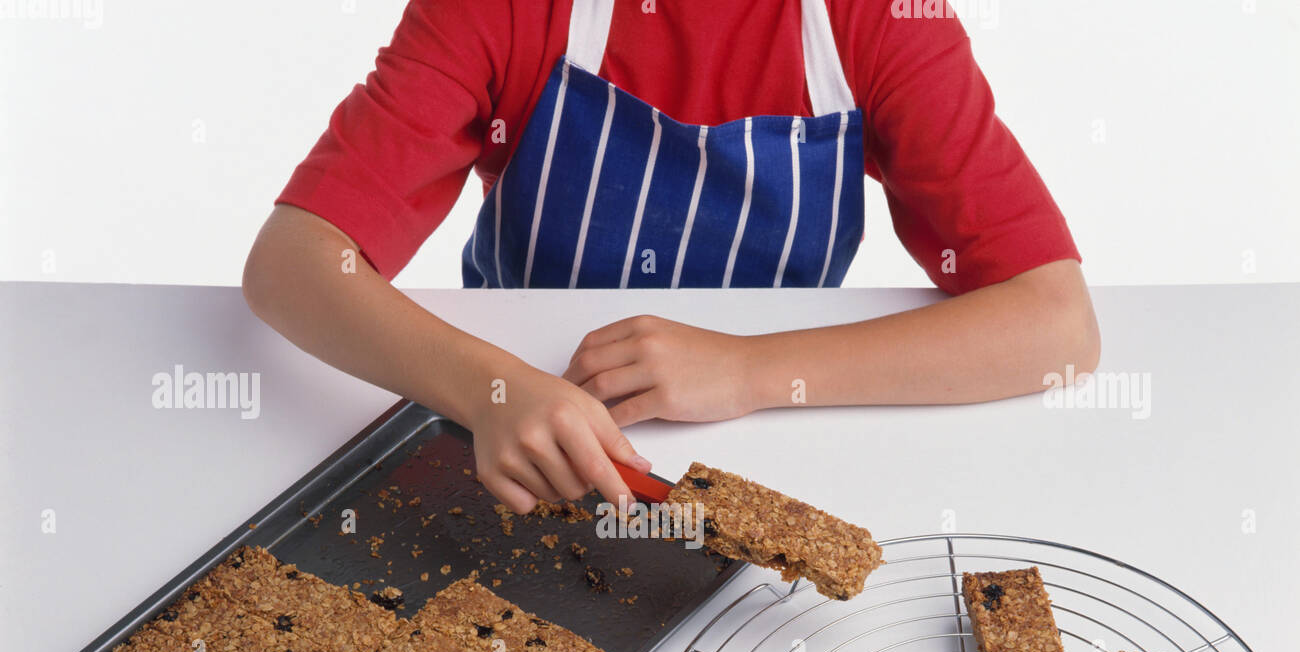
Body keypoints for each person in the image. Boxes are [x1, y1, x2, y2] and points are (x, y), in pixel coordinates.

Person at [243, 0, 1099, 512]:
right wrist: (489, 390)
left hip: (780, 445)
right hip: (525, 451)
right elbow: (293, 263)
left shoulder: (871, 18)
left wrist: (747, 371)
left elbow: (1055, 323)